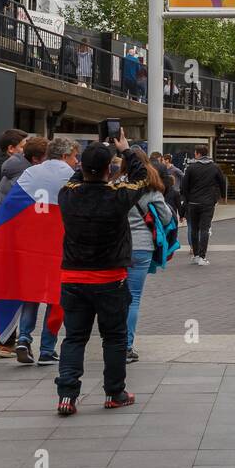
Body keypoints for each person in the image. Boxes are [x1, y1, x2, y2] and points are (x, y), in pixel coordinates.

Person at [54, 133, 152, 415]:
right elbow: (142, 174)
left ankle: (67, 395)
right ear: (110, 169)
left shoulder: (67, 195)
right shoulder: (119, 197)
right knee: (114, 337)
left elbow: (78, 175)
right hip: (110, 278)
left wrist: (92, 158)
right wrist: (126, 149)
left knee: (74, 337)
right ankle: (114, 393)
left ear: (81, 167)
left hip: (73, 278)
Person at [14, 137, 79, 365]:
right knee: (56, 297)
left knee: (30, 295)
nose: (76, 161)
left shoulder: (30, 173)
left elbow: (12, 207)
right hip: (60, 245)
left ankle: (23, 338)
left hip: (32, 244)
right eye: (73, 156)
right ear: (64, 155)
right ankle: (47, 349)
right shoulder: (71, 176)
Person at [124, 156, 173, 364]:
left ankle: (112, 340)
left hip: (117, 247)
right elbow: (166, 217)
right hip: (142, 246)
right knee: (133, 297)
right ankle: (126, 345)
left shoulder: (116, 186)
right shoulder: (151, 191)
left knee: (115, 297)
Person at [182, 144, 227, 264]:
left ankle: (196, 255)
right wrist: (221, 196)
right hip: (208, 203)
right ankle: (202, 256)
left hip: (193, 202)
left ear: (198, 154)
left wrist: (186, 199)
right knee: (205, 229)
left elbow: (184, 186)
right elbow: (222, 182)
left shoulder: (191, 168)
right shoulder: (215, 167)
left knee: (194, 229)